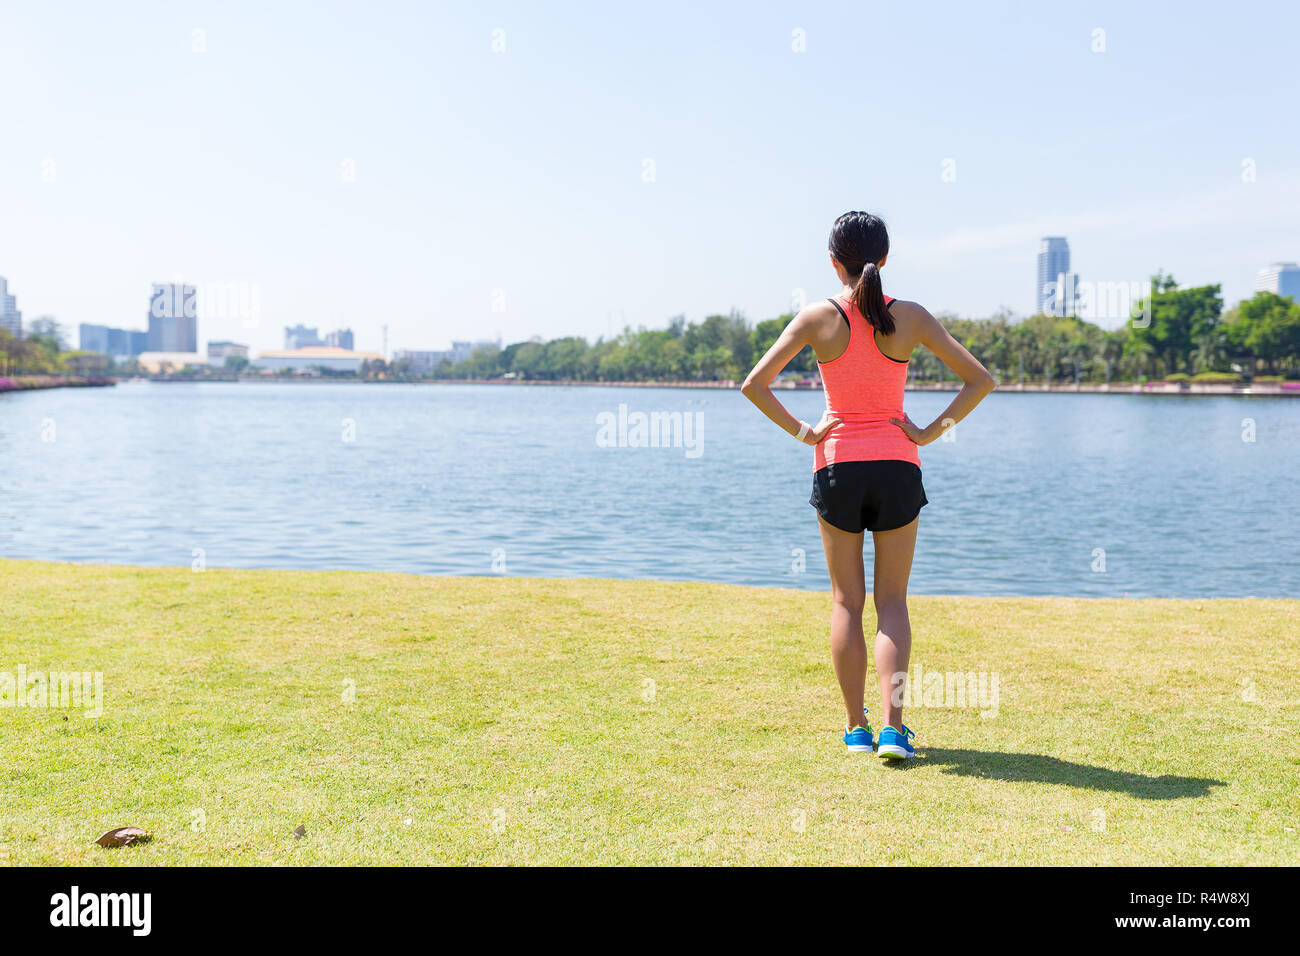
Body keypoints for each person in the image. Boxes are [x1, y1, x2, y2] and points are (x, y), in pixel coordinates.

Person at [741, 211, 994, 759]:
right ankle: (893, 731)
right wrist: (928, 432)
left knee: (846, 603)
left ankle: (855, 729)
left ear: (835, 263)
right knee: (893, 603)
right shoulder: (913, 317)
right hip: (899, 466)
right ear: (885, 258)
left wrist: (805, 432)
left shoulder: (816, 318)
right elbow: (982, 380)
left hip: (837, 467)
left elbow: (753, 385)